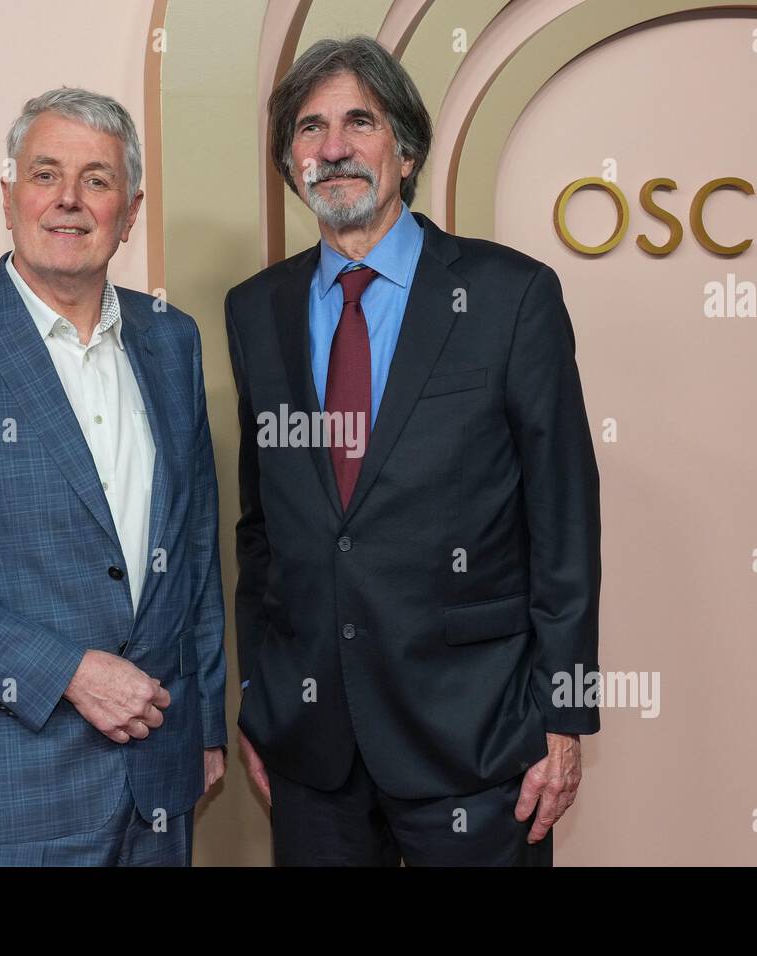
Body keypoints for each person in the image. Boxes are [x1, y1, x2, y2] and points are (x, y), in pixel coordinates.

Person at [225, 37, 602, 866]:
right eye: (310, 129)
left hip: (477, 741)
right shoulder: (256, 311)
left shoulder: (511, 297)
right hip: (313, 750)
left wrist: (566, 716)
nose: (333, 148)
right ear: (292, 163)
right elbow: (264, 529)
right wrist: (259, 698)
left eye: (359, 121)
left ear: (406, 147)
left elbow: (564, 520)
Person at [0, 87, 226, 866]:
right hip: (8, 791)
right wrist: (69, 673)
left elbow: (194, 556)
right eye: (45, 173)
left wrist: (207, 726)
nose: (68, 199)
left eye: (96, 179)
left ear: (129, 211)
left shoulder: (172, 341)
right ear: (9, 195)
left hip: (159, 779)